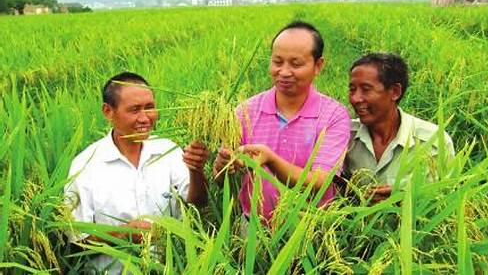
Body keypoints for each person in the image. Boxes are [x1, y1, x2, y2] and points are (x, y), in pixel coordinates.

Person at [65, 72, 209, 273]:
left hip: (173, 268)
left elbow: (197, 202)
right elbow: (77, 241)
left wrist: (196, 170)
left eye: (149, 107)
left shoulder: (168, 150)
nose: (145, 118)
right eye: (134, 110)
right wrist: (123, 234)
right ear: (108, 111)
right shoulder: (85, 166)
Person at [213, 21, 351, 222]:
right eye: (277, 62)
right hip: (253, 228)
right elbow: (223, 181)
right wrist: (222, 166)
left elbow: (321, 181)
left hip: (312, 228)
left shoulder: (333, 115)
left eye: (296, 64)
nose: (284, 72)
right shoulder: (245, 112)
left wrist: (271, 160)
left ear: (318, 65)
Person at [345, 53, 455, 203]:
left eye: (366, 89)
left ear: (395, 92)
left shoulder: (434, 142)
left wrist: (405, 198)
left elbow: (447, 198)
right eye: (352, 89)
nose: (355, 98)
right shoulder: (344, 135)